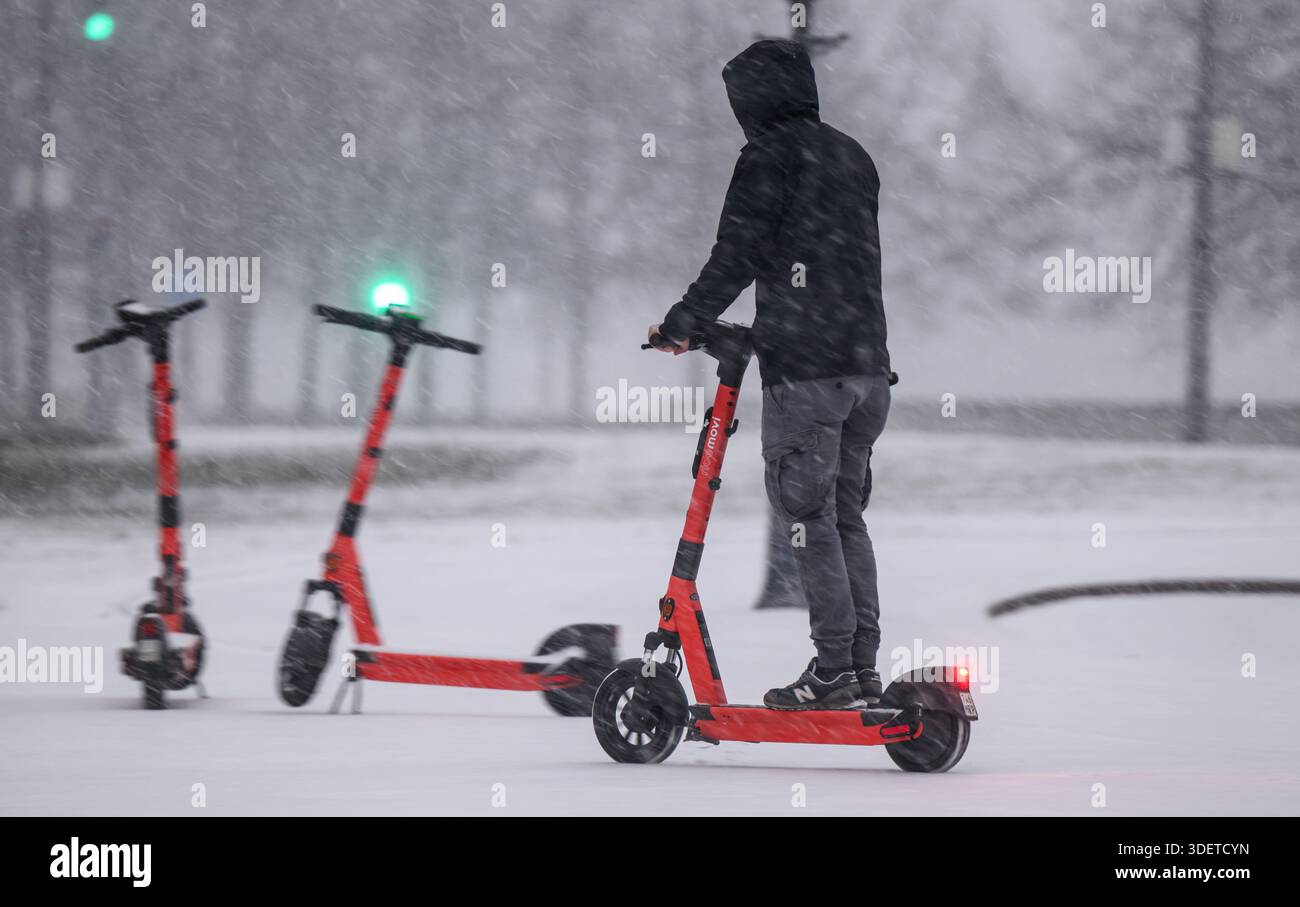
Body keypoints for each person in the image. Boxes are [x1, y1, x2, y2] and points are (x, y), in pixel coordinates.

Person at [647, 39, 891, 709]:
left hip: (805, 374)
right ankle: (861, 667)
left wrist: (683, 321)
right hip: (867, 368)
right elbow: (828, 256)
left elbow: (740, 252)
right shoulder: (853, 155)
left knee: (807, 518)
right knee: (845, 518)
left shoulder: (767, 157)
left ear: (753, 100)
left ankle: (834, 670)